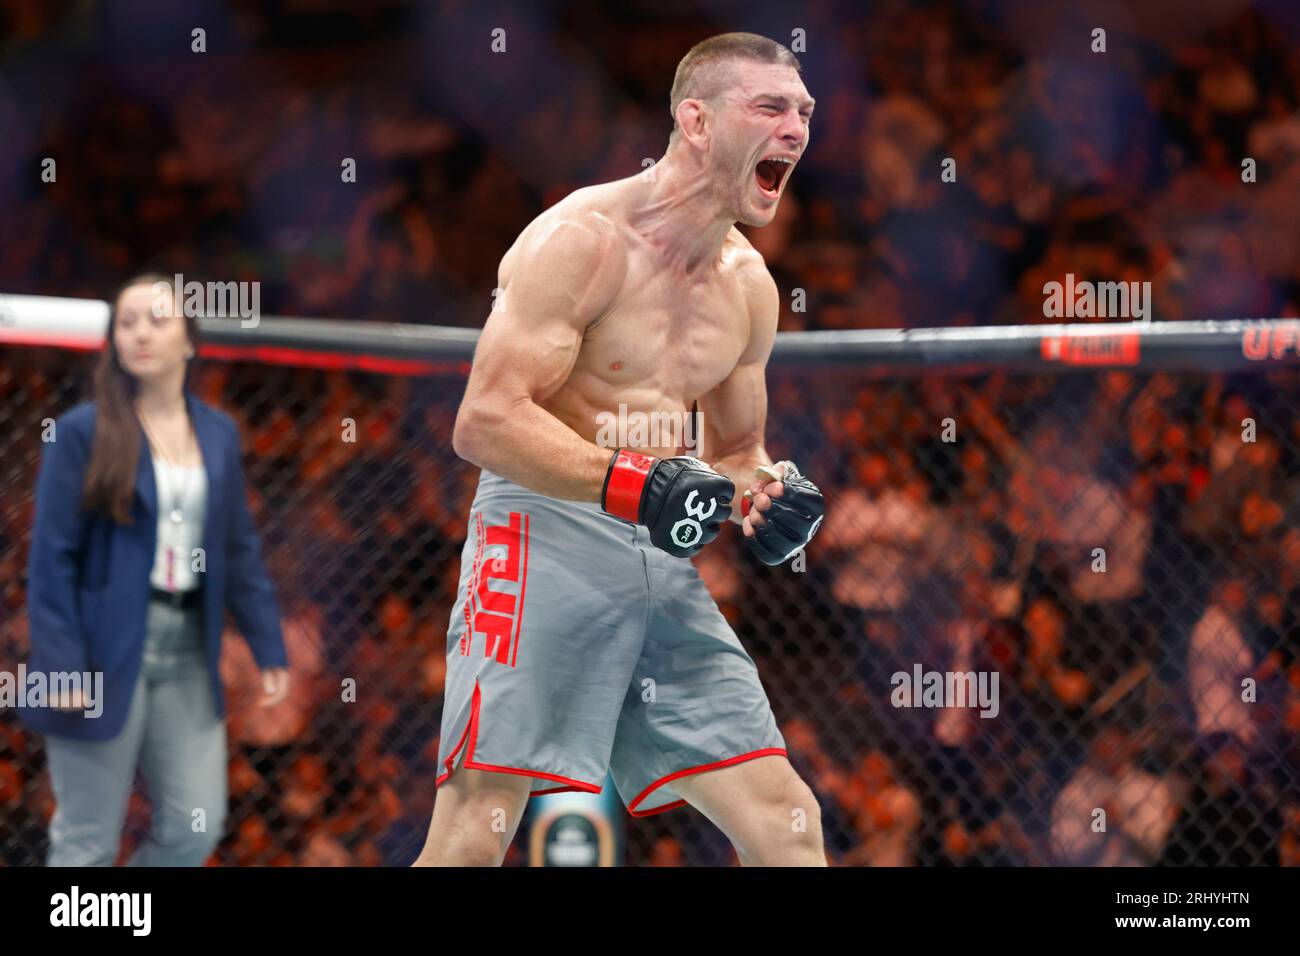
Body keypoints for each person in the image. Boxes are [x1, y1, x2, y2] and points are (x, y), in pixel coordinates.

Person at [414, 32, 827, 867]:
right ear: (697, 121)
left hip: (659, 559)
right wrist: (633, 483)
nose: (796, 129)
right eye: (771, 107)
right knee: (473, 833)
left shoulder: (749, 287)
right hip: (541, 533)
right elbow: (485, 420)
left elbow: (739, 448)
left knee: (787, 821)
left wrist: (771, 496)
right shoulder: (582, 241)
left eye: (805, 111)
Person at [21, 273, 289, 866]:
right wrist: (62, 661)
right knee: (87, 836)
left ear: (189, 341)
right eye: (127, 321)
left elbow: (238, 548)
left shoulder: (217, 433)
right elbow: (50, 561)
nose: (140, 333)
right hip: (102, 646)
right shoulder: (81, 433)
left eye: (157, 320)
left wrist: (268, 643)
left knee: (196, 824)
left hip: (188, 646)